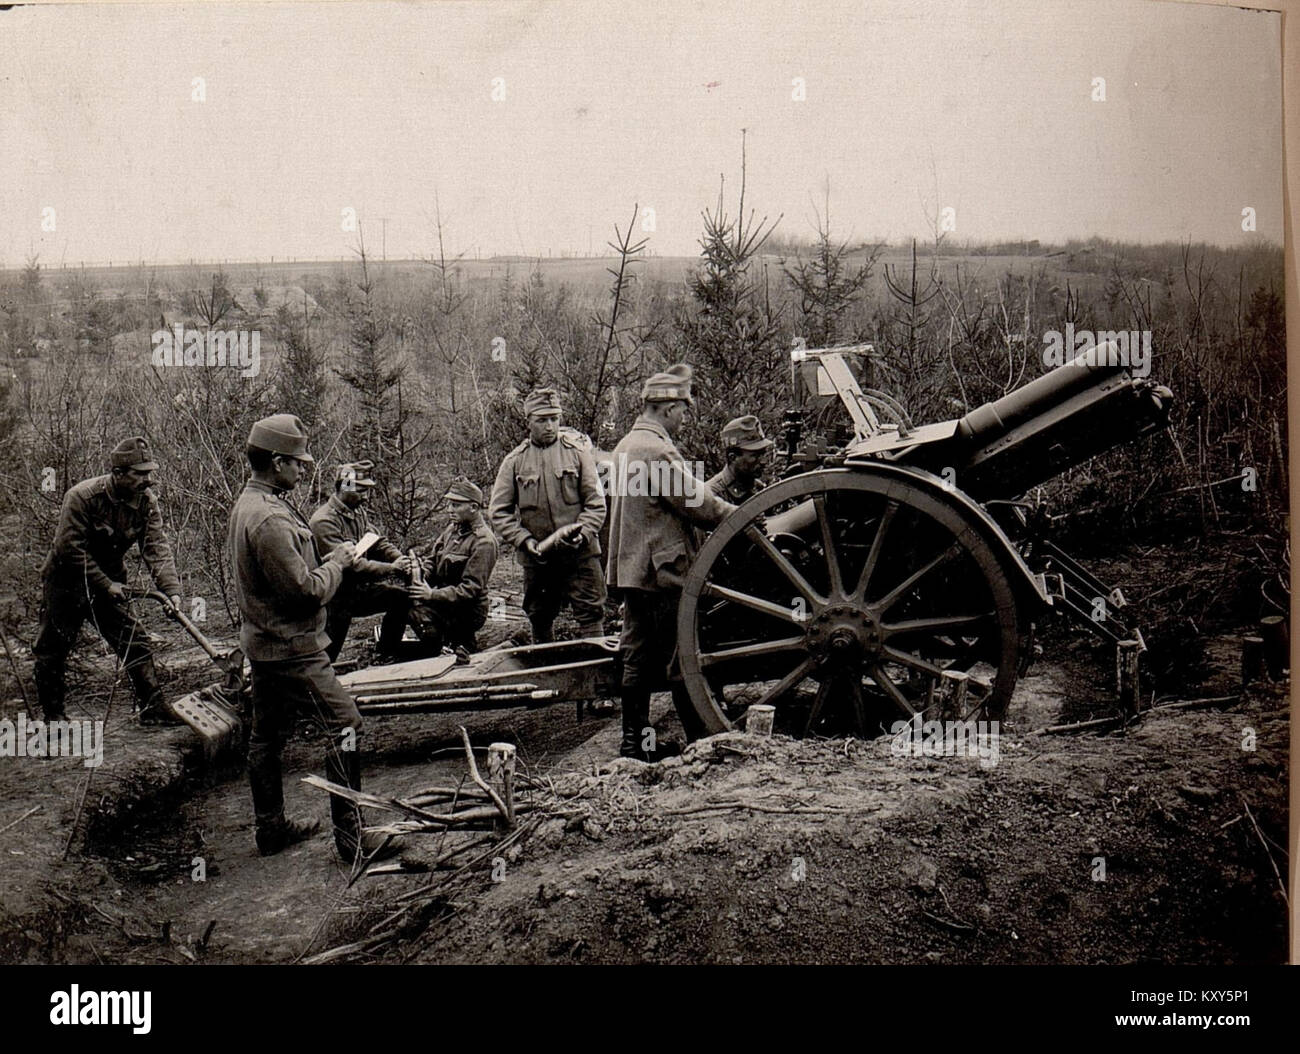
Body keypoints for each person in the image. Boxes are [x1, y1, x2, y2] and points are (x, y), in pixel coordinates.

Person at [227, 414, 396, 862]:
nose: (304, 471)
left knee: (266, 737)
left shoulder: (256, 503)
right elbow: (307, 592)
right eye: (298, 463)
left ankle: (271, 829)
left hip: (264, 645)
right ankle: (352, 839)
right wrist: (339, 562)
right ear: (278, 462)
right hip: (293, 648)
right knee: (346, 725)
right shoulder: (269, 519)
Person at [605, 364, 737, 761]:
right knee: (683, 653)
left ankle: (636, 744)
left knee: (638, 654)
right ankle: (701, 739)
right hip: (662, 571)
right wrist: (736, 514)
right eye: (683, 408)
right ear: (665, 407)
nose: (685, 416)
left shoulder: (626, 445)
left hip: (633, 569)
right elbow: (693, 502)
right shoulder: (656, 449)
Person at [33, 436, 183, 725]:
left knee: (134, 640)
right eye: (140, 474)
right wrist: (105, 584)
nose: (148, 479)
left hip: (111, 583)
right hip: (65, 582)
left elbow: (156, 546)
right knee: (52, 649)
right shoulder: (81, 497)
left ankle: (152, 709)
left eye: (150, 472)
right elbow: (69, 548)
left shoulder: (146, 501)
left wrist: (171, 591)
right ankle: (54, 717)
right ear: (118, 474)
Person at [489, 387, 607, 643]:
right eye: (542, 420)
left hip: (580, 555)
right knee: (539, 615)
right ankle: (545, 674)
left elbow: (596, 502)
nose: (550, 426)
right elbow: (498, 512)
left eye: (554, 418)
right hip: (539, 559)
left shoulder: (578, 454)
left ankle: (597, 678)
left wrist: (584, 532)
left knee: (591, 613)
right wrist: (524, 540)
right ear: (528, 421)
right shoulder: (514, 461)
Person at [309, 460, 414, 662]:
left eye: (367, 491)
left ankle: (386, 654)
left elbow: (375, 541)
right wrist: (392, 568)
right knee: (327, 652)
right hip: (335, 597)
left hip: (357, 591)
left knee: (400, 598)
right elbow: (352, 566)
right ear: (344, 487)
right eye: (360, 491)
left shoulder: (357, 511)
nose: (365, 497)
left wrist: (398, 557)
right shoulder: (324, 521)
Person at [406, 477, 498, 655]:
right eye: (449, 504)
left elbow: (470, 589)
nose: (449, 510)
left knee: (417, 613)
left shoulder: (484, 542)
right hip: (446, 601)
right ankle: (453, 644)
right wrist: (419, 574)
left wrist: (432, 594)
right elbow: (433, 559)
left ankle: (441, 651)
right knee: (402, 603)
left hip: (467, 610)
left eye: (456, 505)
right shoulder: (452, 529)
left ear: (473, 507)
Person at [708, 415, 774, 504]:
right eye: (755, 456)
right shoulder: (711, 496)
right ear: (733, 458)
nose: (764, 461)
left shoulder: (757, 487)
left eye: (763, 453)